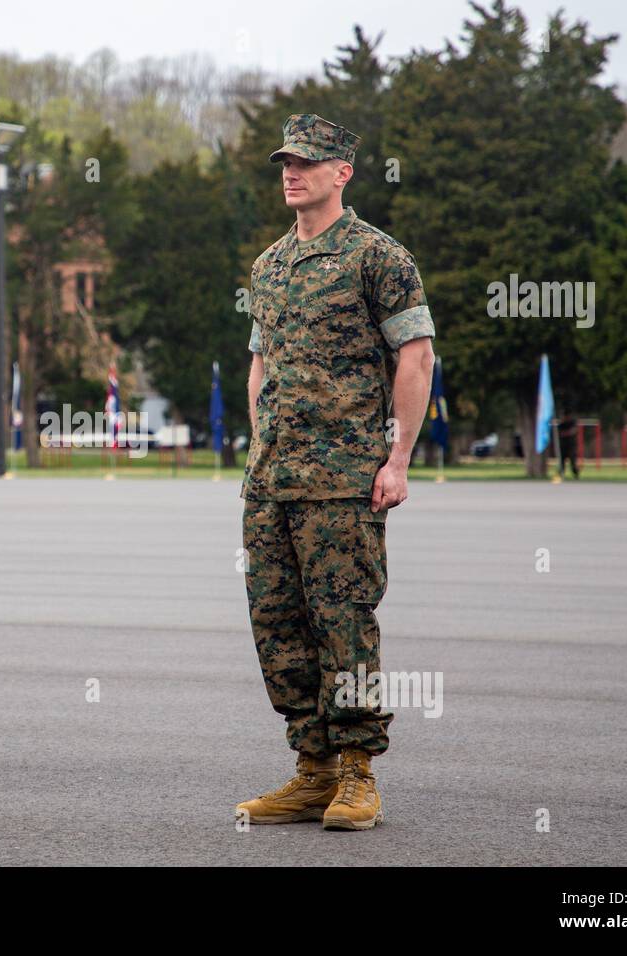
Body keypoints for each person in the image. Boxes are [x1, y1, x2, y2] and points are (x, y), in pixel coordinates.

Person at [237, 114, 435, 831]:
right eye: (286, 162)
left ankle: (357, 774)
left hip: (344, 482)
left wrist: (398, 458)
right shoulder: (269, 265)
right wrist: (263, 448)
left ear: (342, 171)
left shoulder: (377, 257)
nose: (292, 173)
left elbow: (416, 357)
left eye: (308, 163)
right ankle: (312, 770)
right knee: (277, 625)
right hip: (272, 483)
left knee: (343, 623)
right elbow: (260, 364)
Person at [557, 413, 581, 478]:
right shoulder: (561, 425)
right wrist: (568, 433)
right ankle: (560, 474)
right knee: (562, 461)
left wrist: (567, 433)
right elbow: (560, 433)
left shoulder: (572, 423)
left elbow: (573, 431)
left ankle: (576, 474)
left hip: (571, 446)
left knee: (573, 461)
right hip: (563, 446)